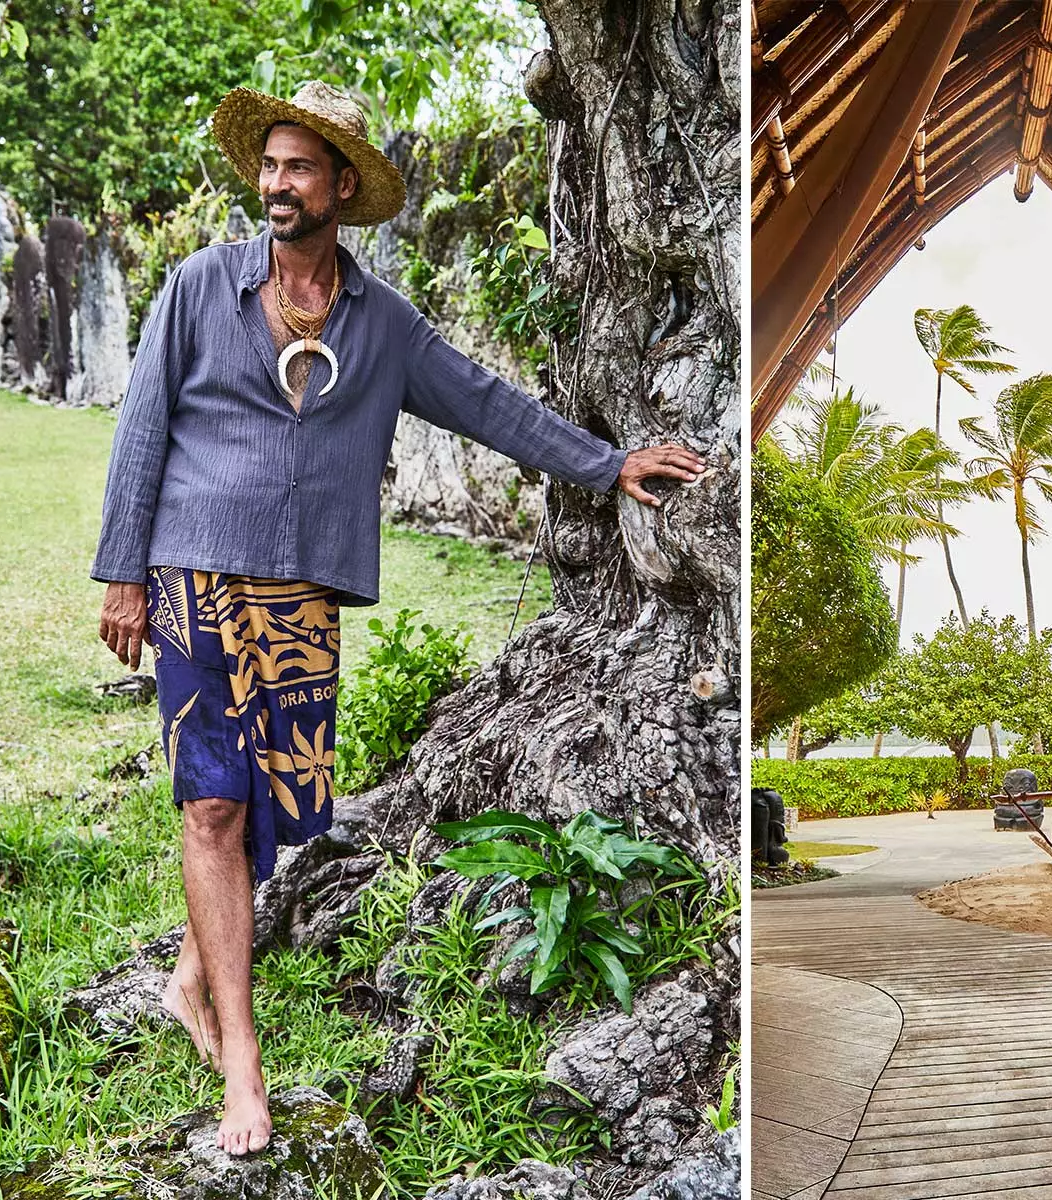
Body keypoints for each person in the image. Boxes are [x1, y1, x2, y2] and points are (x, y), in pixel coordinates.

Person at [89, 80, 703, 1157]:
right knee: (212, 808)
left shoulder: (383, 326)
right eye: (269, 166)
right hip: (193, 572)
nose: (278, 185)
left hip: (306, 591)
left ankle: (195, 970)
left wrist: (609, 466)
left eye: (299, 169)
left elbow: (489, 403)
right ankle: (242, 1063)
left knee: (287, 808)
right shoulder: (197, 289)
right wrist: (122, 576)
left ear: (340, 187)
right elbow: (141, 433)